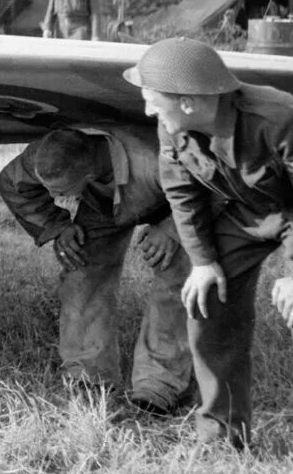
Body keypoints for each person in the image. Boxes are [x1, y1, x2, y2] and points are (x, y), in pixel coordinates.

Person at [123, 36, 293, 448]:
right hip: (246, 214)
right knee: (206, 302)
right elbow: (183, 194)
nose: (147, 110)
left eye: (153, 100)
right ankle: (223, 437)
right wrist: (202, 261)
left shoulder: (280, 117)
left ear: (188, 101)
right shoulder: (173, 127)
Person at [0, 128, 193, 415]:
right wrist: (57, 226)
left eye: (61, 192)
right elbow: (12, 183)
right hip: (103, 203)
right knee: (81, 270)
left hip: (175, 202)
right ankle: (89, 376)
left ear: (87, 176)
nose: (53, 196)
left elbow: (211, 186)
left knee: (176, 277)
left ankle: (158, 385)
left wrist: (171, 228)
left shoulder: (156, 158)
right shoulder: (44, 154)